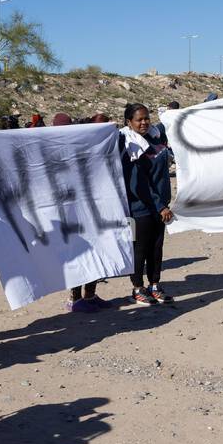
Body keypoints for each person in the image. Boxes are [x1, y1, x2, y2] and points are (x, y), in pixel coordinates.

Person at [122, 102, 174, 306]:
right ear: (129, 122)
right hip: (140, 207)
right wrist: (159, 205)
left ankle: (154, 284)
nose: (144, 122)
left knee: (156, 248)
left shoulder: (156, 137)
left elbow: (172, 123)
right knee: (140, 249)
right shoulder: (129, 144)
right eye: (139, 119)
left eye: (146, 118)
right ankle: (137, 288)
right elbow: (138, 184)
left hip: (160, 205)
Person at [67, 113, 116, 312]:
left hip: (98, 212)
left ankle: (90, 294)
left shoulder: (104, 151)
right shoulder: (76, 150)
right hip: (77, 214)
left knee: (98, 252)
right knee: (80, 255)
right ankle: (75, 299)